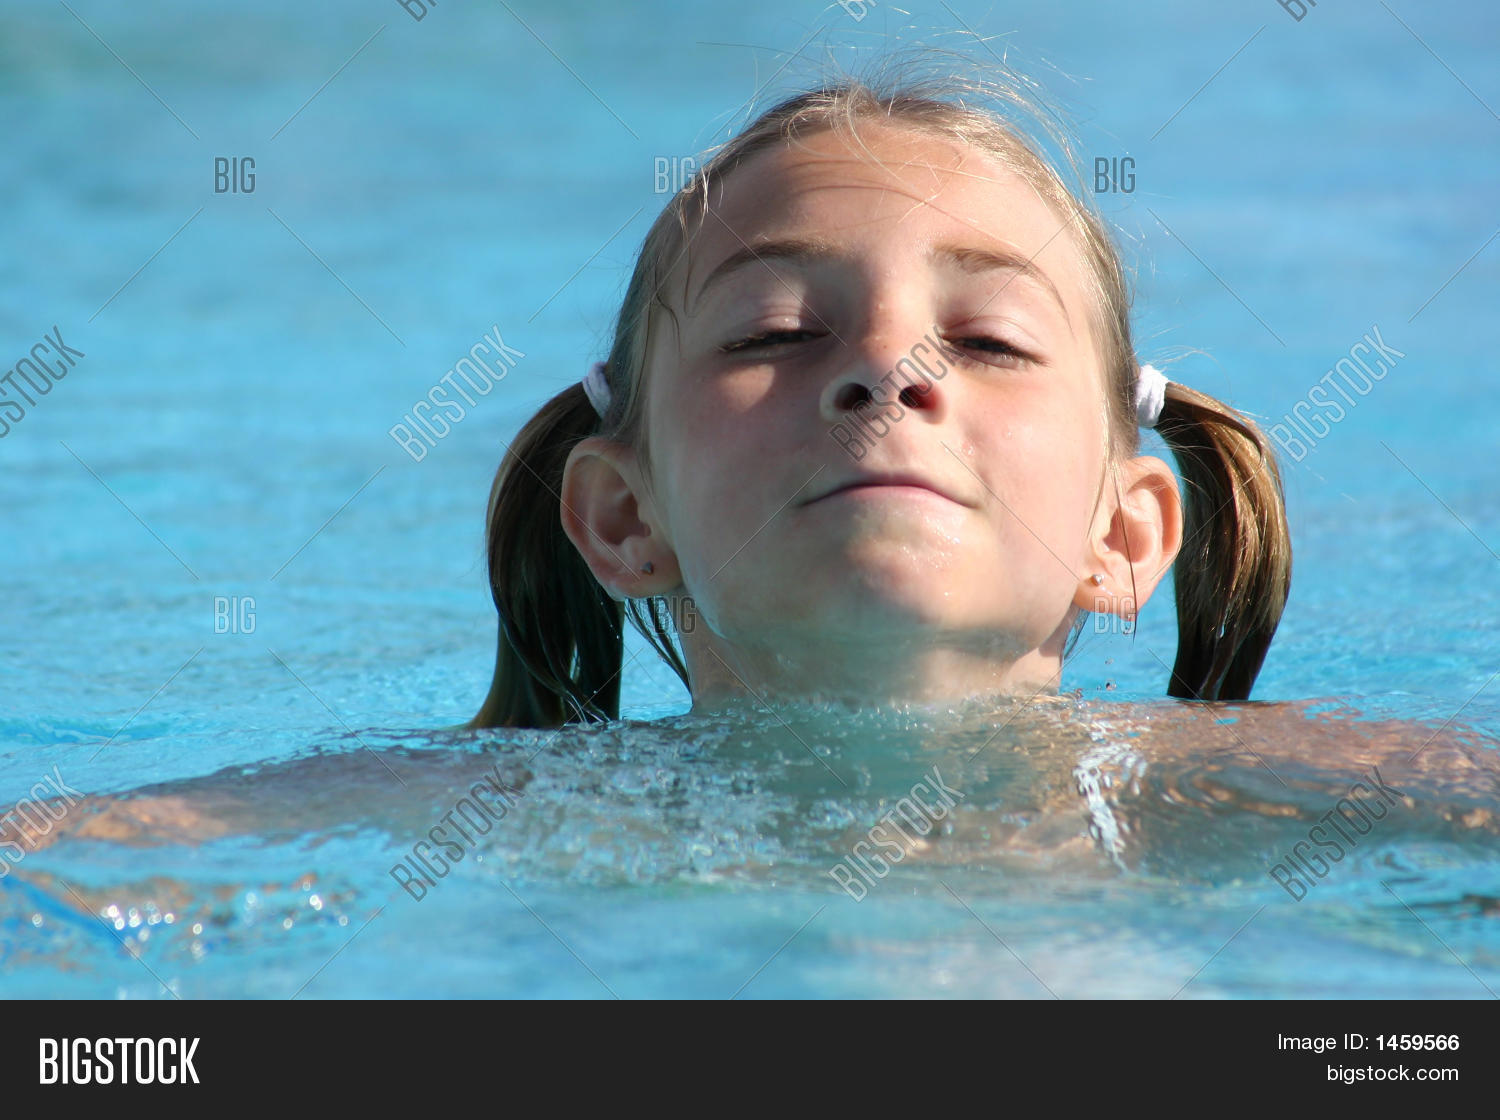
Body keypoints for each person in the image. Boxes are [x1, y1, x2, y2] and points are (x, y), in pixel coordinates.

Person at [469, 71, 1291, 730]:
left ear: (1117, 532)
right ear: (624, 518)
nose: (891, 372)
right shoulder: (481, 811)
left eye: (990, 341)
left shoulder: (1283, 791)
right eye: (775, 331)